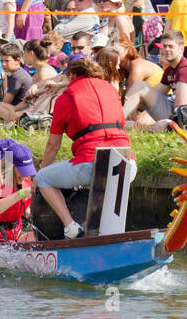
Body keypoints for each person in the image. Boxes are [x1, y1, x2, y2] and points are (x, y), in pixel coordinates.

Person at [34, 56, 137, 238]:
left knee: (44, 178)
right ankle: (108, 233)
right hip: (127, 164)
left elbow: (53, 145)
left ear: (71, 74)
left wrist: (38, 176)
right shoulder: (111, 89)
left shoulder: (64, 99)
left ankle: (70, 227)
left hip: (91, 164)